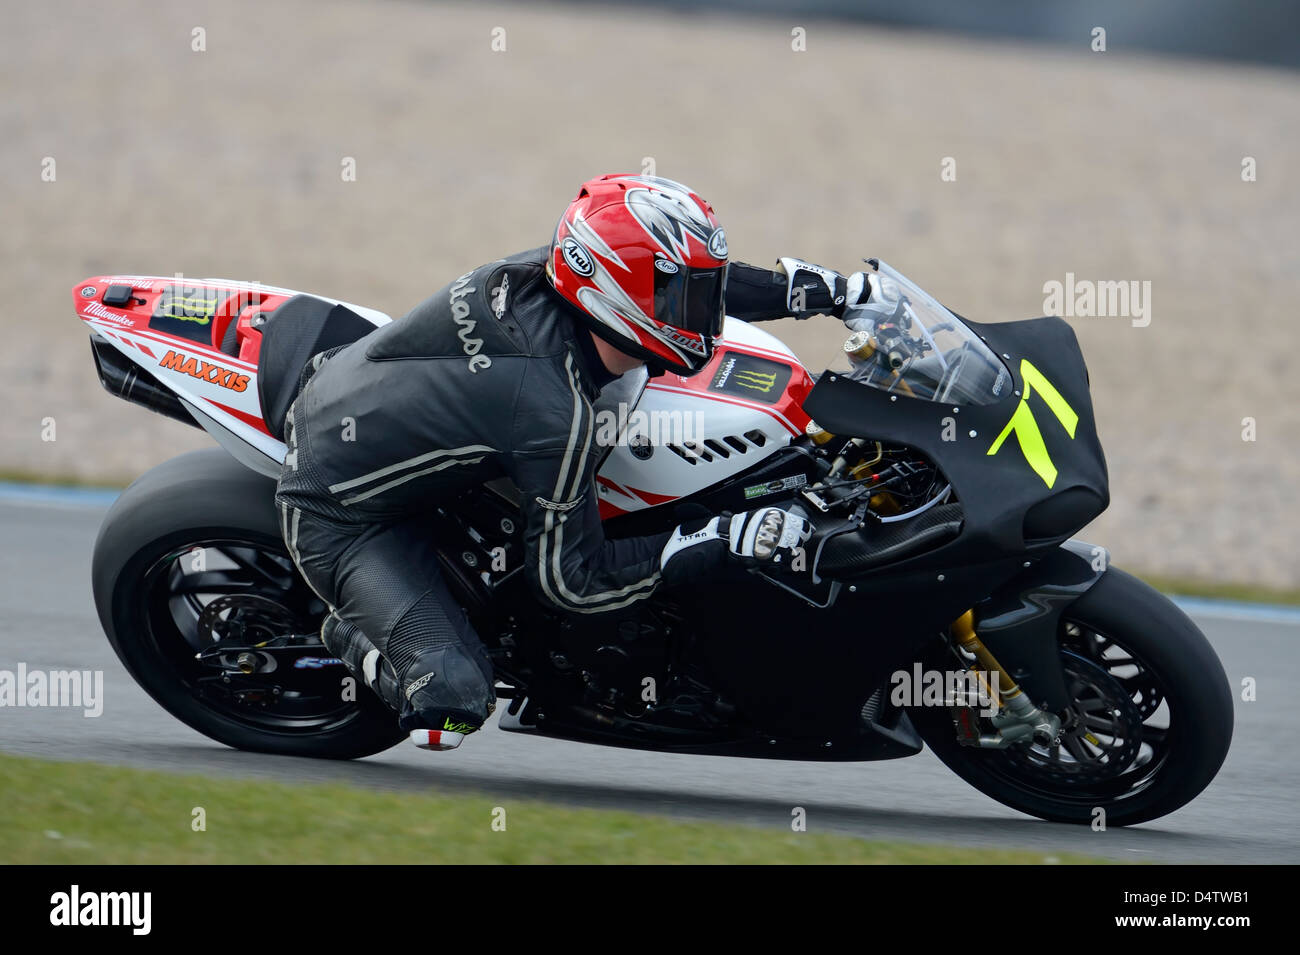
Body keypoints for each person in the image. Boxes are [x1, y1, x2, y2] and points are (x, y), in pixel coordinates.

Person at [273, 174, 869, 750]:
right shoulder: (550, 412)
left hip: (368, 395)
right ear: (617, 297)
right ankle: (352, 633)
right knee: (450, 710)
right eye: (683, 297)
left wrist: (833, 294)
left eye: (696, 292)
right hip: (342, 515)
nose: (701, 311)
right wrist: (720, 536)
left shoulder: (562, 268)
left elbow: (691, 281)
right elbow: (571, 583)